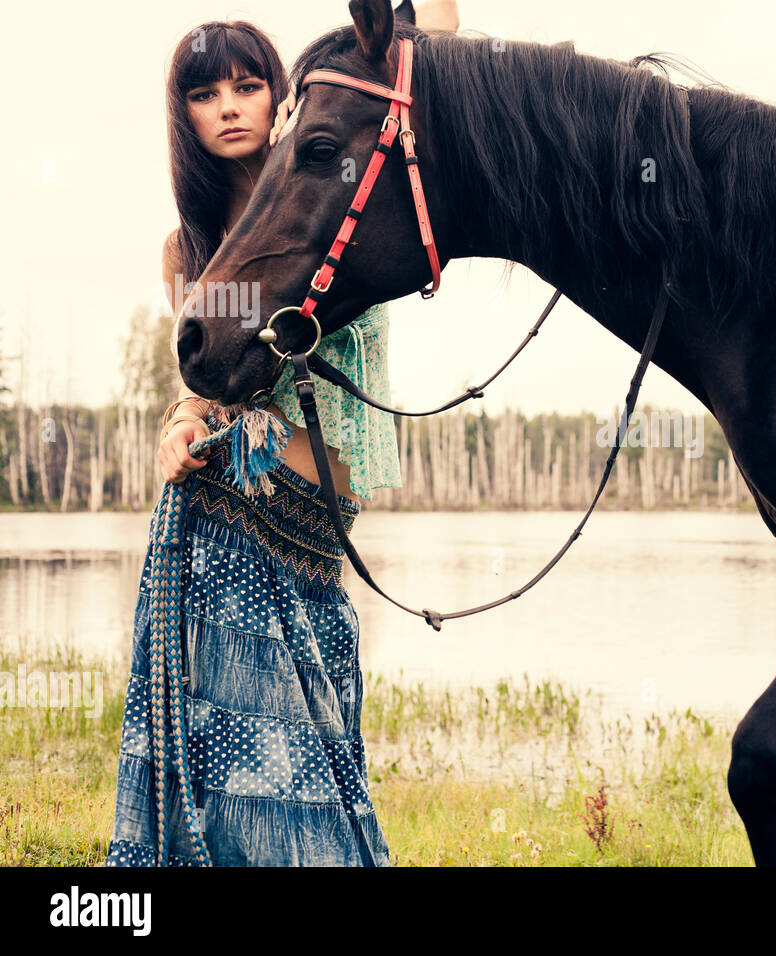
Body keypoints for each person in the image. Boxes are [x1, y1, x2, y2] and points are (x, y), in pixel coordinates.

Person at [107, 2, 459, 867]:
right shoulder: (193, 254)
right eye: (204, 92)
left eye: (247, 84)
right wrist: (177, 428)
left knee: (324, 764)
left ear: (281, 99)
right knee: (263, 784)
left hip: (317, 544)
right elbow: (204, 389)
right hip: (225, 525)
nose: (228, 105)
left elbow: (435, 53)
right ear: (182, 116)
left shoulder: (342, 197)